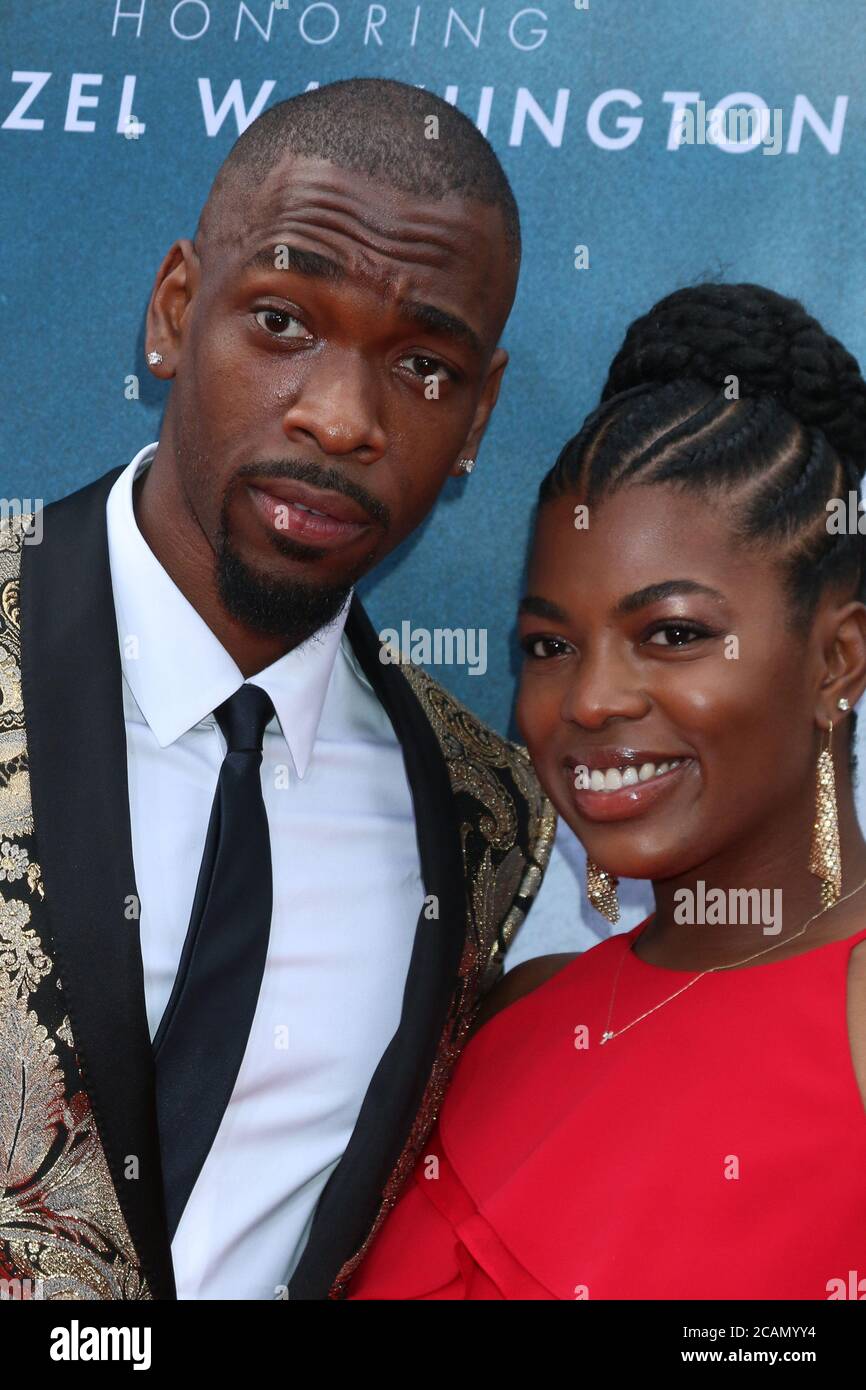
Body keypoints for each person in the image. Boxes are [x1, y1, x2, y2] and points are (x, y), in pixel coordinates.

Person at [0, 77, 556, 1303]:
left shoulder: (489, 826)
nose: (340, 415)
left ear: (478, 416)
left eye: (420, 364)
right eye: (283, 321)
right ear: (174, 307)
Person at [346, 282, 866, 1300]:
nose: (587, 700)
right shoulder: (510, 1017)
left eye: (669, 633)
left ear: (837, 658)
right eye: (548, 645)